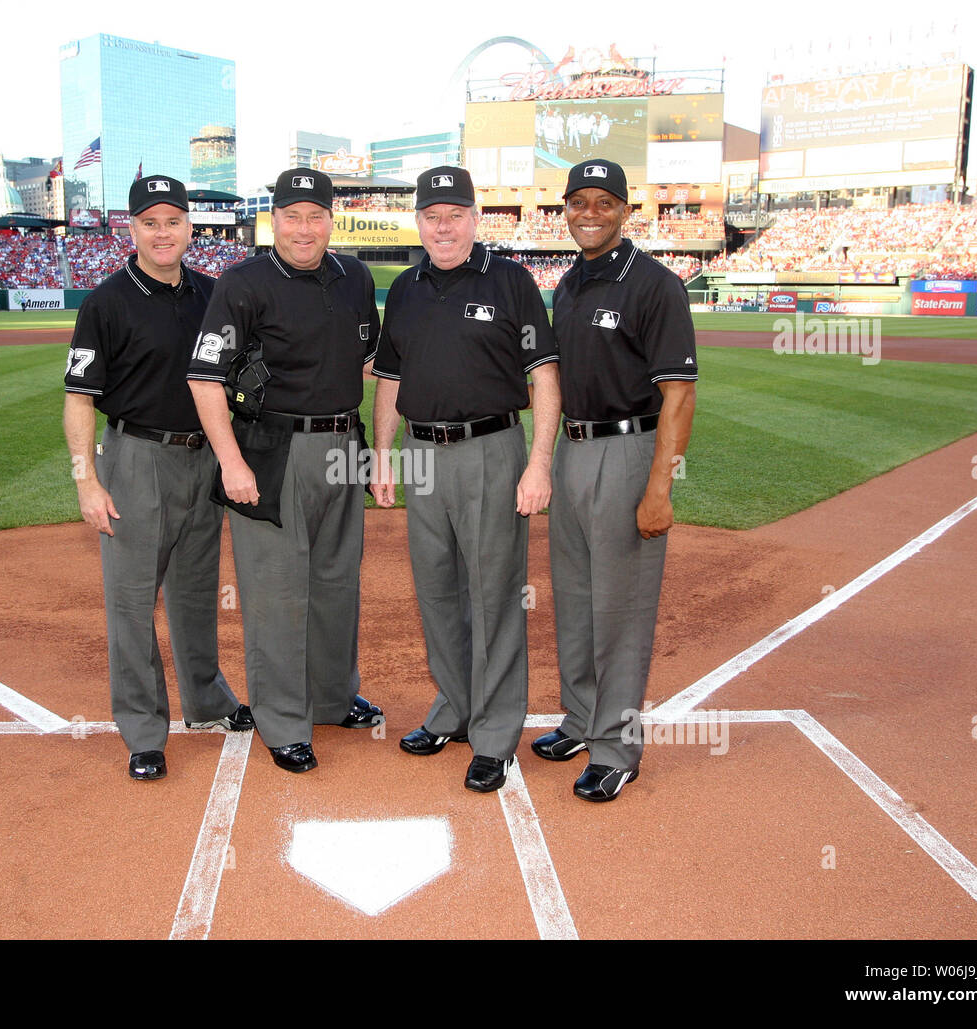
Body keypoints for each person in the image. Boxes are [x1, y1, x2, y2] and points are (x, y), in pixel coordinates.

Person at [187, 168, 383, 774]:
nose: (304, 228)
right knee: (275, 592)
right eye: (292, 215)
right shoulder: (243, 283)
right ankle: (281, 720)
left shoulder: (354, 276)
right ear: (274, 219)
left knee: (335, 583)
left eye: (315, 215)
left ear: (331, 219)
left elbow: (374, 363)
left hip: (344, 443)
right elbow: (205, 376)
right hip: (273, 451)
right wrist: (231, 463)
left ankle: (331, 697)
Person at [372, 166, 561, 793]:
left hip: (491, 449)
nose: (443, 225)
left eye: (455, 213)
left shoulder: (510, 281)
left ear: (476, 218)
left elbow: (545, 377)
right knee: (437, 593)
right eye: (432, 215)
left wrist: (538, 463)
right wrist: (380, 453)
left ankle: (497, 734)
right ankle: (454, 707)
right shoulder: (403, 289)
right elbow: (390, 381)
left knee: (495, 595)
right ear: (419, 221)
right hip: (422, 454)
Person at [62, 173, 252, 782]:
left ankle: (206, 699)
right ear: (132, 228)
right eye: (151, 222)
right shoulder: (107, 301)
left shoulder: (213, 293)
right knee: (131, 598)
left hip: (205, 457)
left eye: (173, 221)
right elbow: (79, 397)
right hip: (137, 458)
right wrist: (86, 480)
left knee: (196, 588)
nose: (163, 232)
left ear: (190, 227)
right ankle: (144, 730)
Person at [532, 158, 697, 802]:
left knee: (621, 607)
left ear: (627, 212)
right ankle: (580, 719)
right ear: (565, 210)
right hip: (574, 449)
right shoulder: (568, 283)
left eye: (604, 203)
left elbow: (679, 395)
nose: (589, 214)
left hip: (630, 451)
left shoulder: (656, 285)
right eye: (579, 202)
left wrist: (660, 488)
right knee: (575, 597)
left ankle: (617, 745)